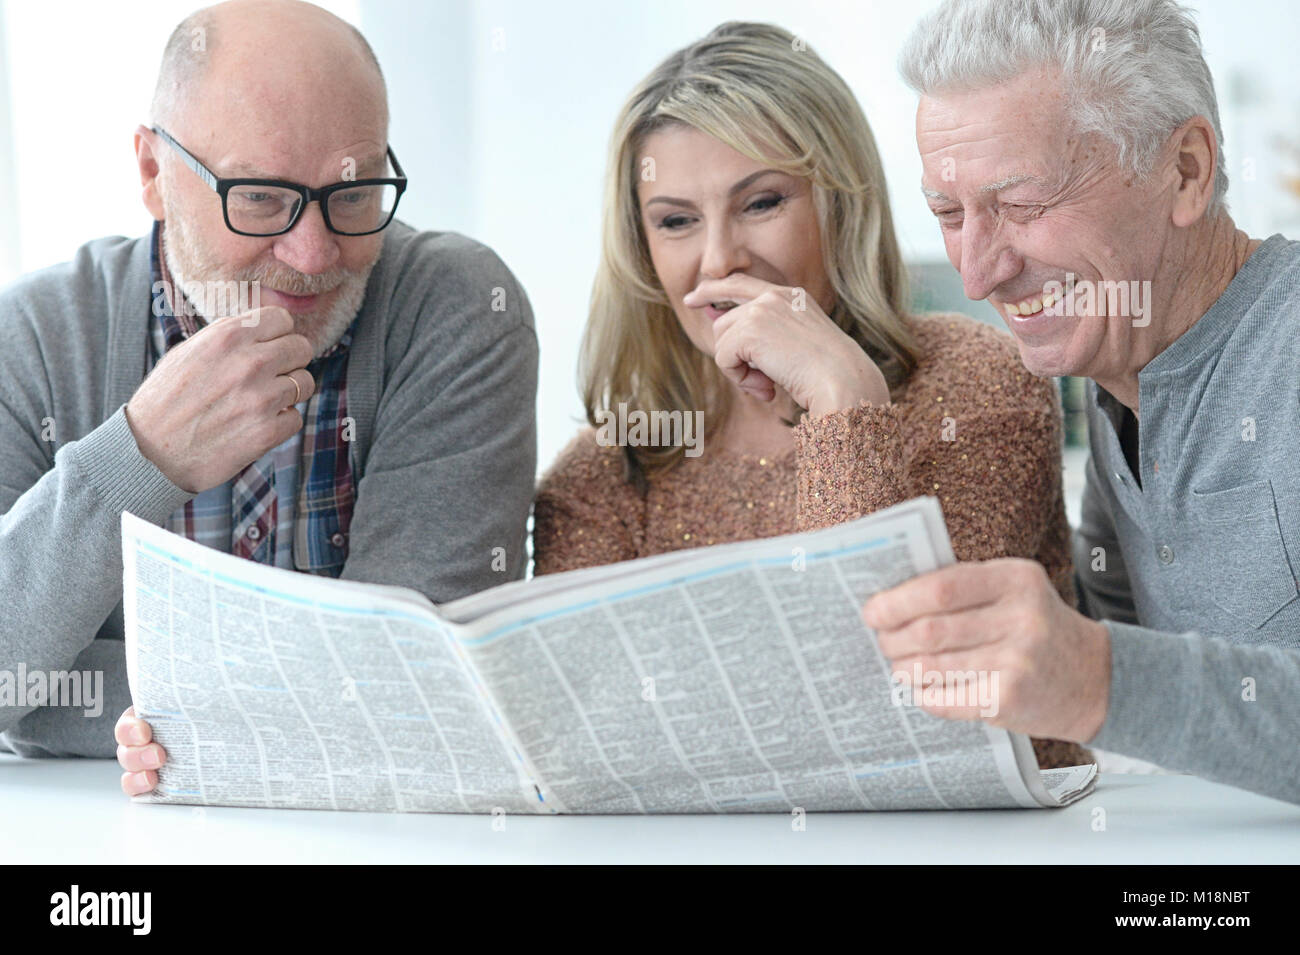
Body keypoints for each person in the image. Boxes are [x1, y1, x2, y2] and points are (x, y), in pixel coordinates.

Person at [0, 1, 537, 789]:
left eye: (352, 195)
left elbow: (411, 682)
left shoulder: (457, 310)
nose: (313, 254)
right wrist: (141, 455)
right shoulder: (39, 336)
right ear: (153, 173)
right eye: (257, 197)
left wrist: (99, 703)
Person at [533, 21, 1088, 771]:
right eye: (675, 221)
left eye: (761, 203)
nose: (720, 257)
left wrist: (842, 400)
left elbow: (886, 709)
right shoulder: (611, 465)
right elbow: (584, 742)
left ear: (840, 205)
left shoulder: (976, 385)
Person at [867, 0, 1299, 804]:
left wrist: (1100, 678)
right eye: (949, 214)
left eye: (1023, 205)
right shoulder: (1121, 382)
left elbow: (1113, 681)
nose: (978, 275)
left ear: (1186, 171)